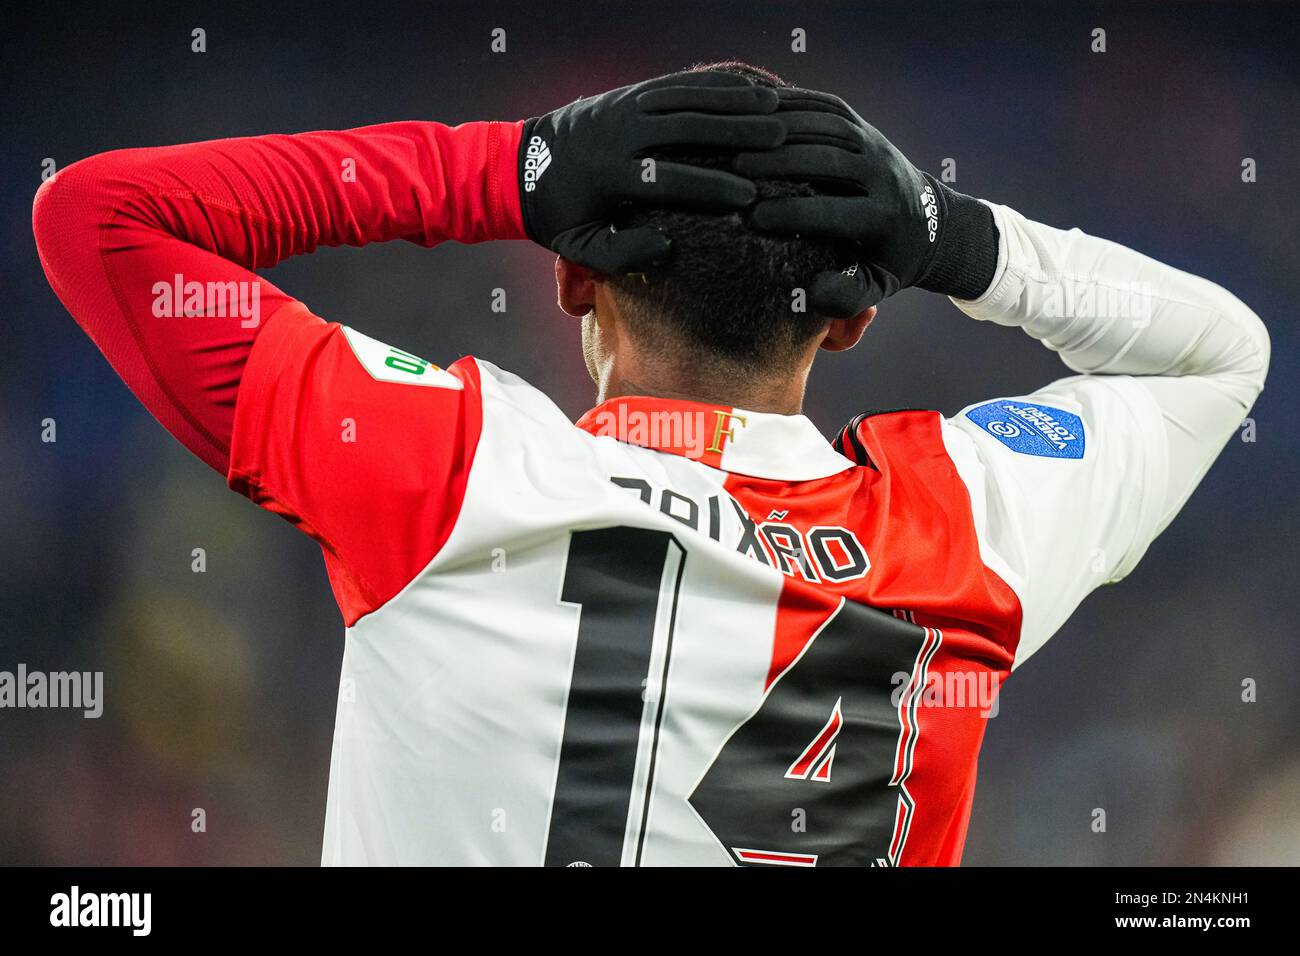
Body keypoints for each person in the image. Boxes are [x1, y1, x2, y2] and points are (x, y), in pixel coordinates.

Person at [32, 62, 1268, 866]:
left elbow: (98, 217)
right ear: (852, 317)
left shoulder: (441, 470)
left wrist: (501, 168)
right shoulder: (965, 530)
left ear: (570, 276)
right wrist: (955, 238)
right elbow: (1220, 354)